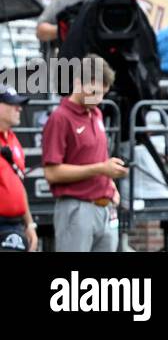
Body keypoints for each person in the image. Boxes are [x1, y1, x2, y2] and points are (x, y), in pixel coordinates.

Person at [42, 55, 128, 252]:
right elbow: (52, 173)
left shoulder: (96, 113)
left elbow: (96, 157)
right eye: (95, 92)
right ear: (79, 82)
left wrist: (110, 183)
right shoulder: (59, 118)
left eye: (103, 94)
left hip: (105, 207)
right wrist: (101, 169)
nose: (99, 99)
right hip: (76, 208)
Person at [0, 89, 36, 251]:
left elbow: (19, 184)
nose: (19, 108)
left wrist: (29, 224)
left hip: (15, 224)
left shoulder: (13, 139)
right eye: (13, 104)